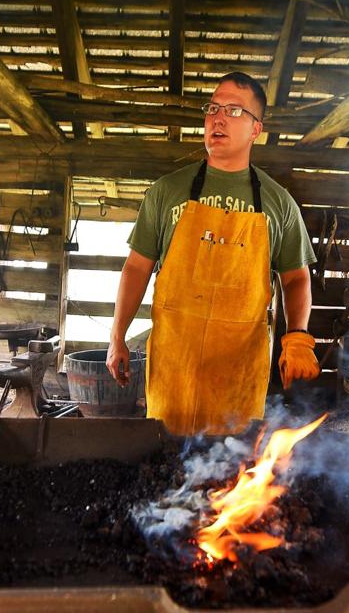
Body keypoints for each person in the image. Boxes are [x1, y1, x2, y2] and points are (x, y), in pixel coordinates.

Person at [105, 71, 319, 437]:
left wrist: (297, 335)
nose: (218, 118)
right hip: (175, 363)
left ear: (256, 129)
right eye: (213, 108)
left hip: (238, 370)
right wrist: (117, 336)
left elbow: (296, 277)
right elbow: (136, 268)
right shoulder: (166, 191)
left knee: (228, 475)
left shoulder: (279, 203)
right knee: (165, 466)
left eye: (234, 110)